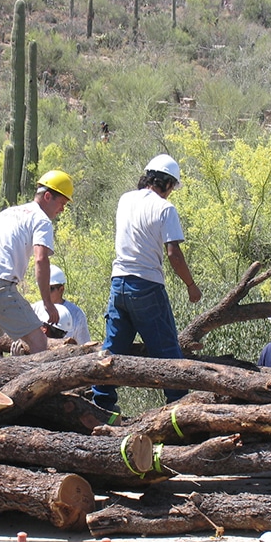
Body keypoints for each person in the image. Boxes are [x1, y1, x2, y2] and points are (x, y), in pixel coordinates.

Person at [90, 154, 201, 416]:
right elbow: (173, 253)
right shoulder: (165, 209)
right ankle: (179, 413)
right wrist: (190, 285)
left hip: (118, 284)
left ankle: (101, 406)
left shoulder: (125, 199)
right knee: (169, 355)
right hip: (147, 285)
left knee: (113, 350)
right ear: (168, 183)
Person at [0, 170, 73, 357]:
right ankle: (35, 386)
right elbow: (41, 259)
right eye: (62, 203)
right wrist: (48, 302)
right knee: (39, 341)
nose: (62, 209)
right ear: (48, 196)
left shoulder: (9, 213)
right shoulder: (41, 219)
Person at [32, 264, 91, 345]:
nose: (45, 292)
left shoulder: (76, 314)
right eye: (42, 288)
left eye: (50, 289)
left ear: (61, 289)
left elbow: (84, 345)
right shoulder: (34, 309)